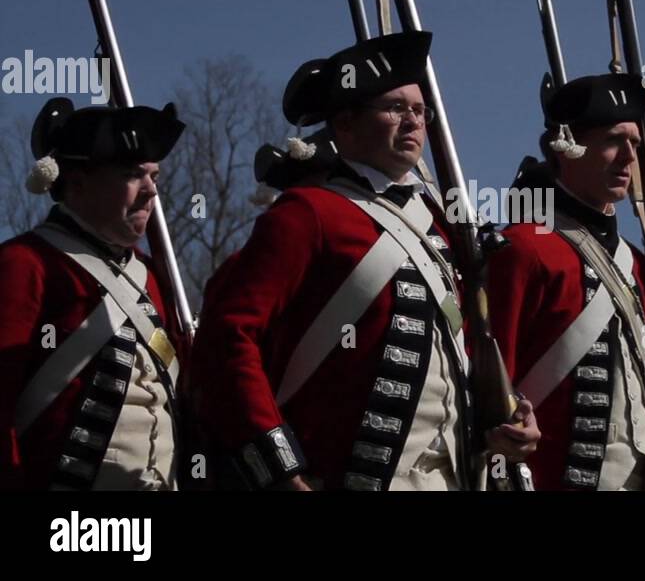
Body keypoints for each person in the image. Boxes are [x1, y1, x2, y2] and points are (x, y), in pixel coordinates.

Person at [189, 32, 539, 490]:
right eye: (395, 109)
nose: (413, 122)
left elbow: (462, 349)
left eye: (419, 110)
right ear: (346, 125)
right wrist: (279, 468)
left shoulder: (436, 226)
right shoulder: (307, 214)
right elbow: (227, 337)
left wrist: (509, 413)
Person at [487, 72, 645, 490]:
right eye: (612, 141)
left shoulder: (636, 263)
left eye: (635, 145)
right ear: (566, 147)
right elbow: (492, 383)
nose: (628, 157)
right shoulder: (524, 247)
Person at [0, 97, 186, 490]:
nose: (151, 191)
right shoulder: (24, 264)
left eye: (154, 175)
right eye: (133, 174)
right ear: (78, 180)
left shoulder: (150, 277)